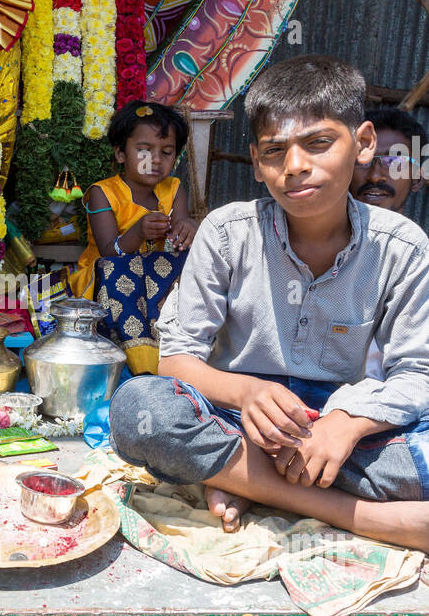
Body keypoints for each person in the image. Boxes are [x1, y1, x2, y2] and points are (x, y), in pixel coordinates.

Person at [108, 54, 429, 554]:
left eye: (319, 143)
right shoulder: (227, 231)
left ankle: (242, 481)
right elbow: (176, 357)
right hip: (240, 416)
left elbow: (416, 374)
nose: (296, 165)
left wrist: (345, 423)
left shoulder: (403, 246)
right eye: (276, 151)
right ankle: (353, 513)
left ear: (363, 143)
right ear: (257, 163)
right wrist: (245, 393)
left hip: (341, 430)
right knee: (138, 410)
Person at [70, 101, 198, 373]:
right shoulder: (102, 193)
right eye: (144, 150)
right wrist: (138, 232)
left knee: (188, 261)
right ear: (120, 153)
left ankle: (178, 349)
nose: (156, 160)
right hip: (106, 283)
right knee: (119, 268)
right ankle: (143, 360)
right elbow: (108, 251)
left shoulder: (174, 188)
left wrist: (186, 230)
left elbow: (178, 241)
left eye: (166, 152)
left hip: (153, 284)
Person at [349, 104, 427, 380]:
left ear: (418, 178)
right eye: (364, 161)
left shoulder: (420, 261)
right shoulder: (313, 250)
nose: (376, 176)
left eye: (395, 162)